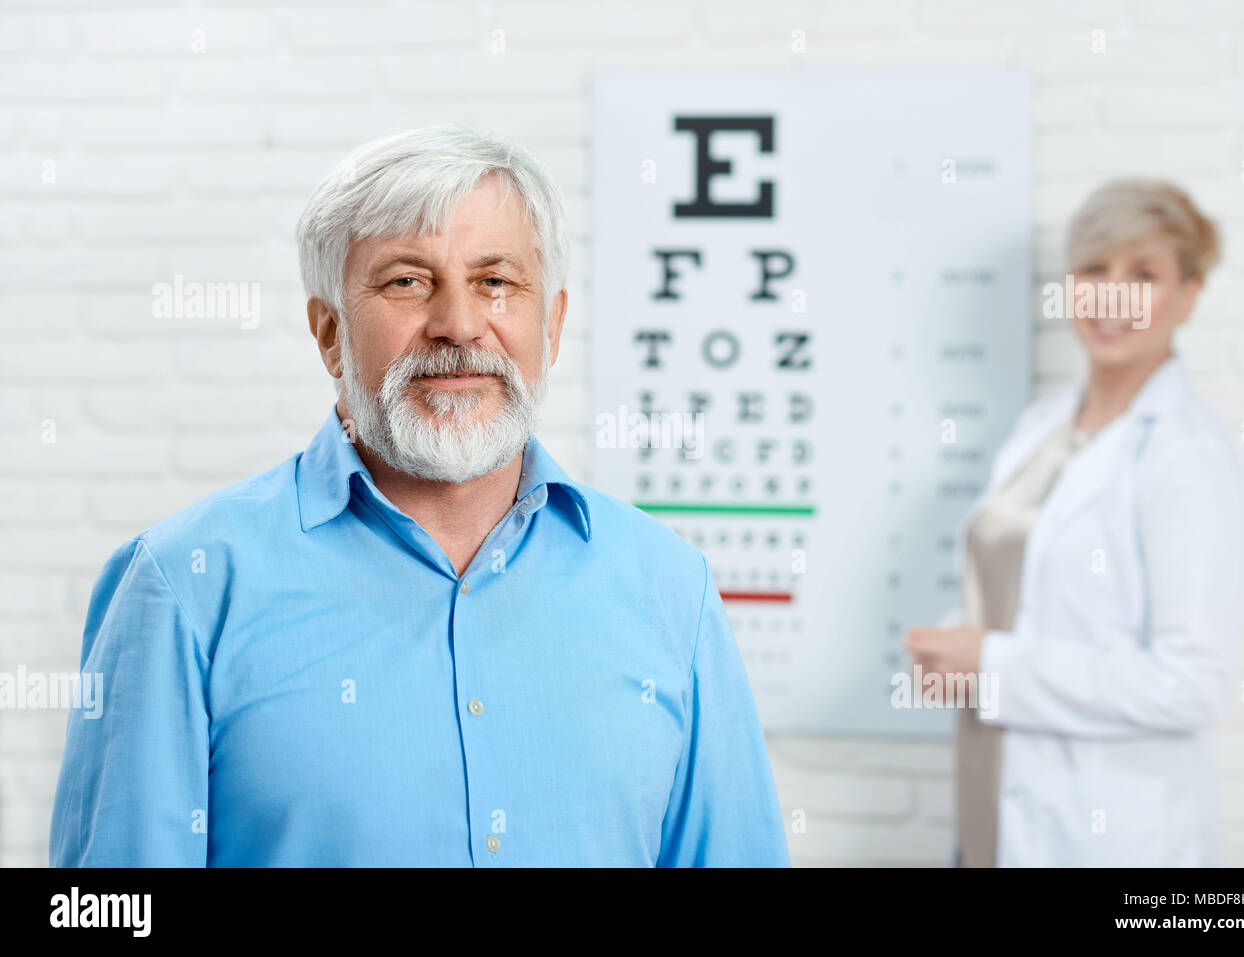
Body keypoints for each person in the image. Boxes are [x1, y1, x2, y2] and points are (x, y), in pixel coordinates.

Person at [50, 125, 789, 867]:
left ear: (553, 323)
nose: (460, 324)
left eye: (495, 281)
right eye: (407, 280)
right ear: (329, 331)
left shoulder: (669, 587)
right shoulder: (183, 586)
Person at [906, 179, 1244, 867]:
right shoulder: (1042, 427)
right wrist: (955, 647)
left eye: (1144, 274)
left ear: (1188, 295)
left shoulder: (1187, 454)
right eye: (1094, 269)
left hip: (1111, 838)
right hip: (995, 808)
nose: (1112, 295)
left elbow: (1191, 683)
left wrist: (994, 663)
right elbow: (1025, 593)